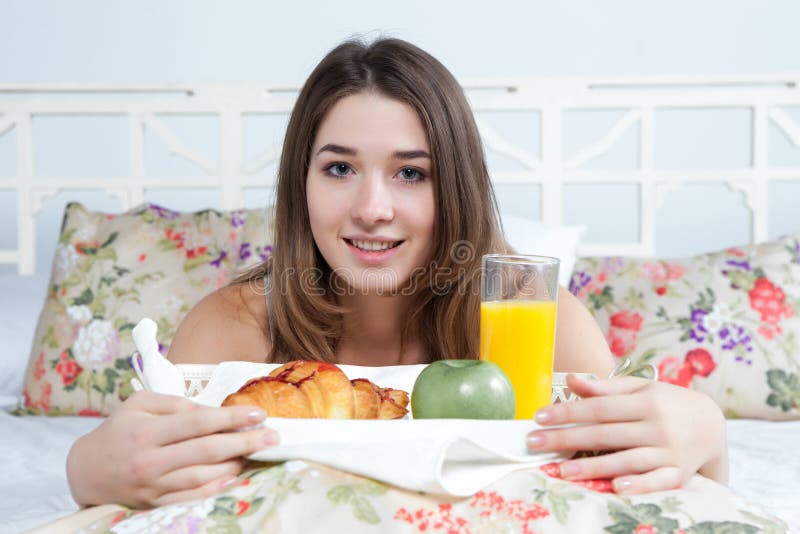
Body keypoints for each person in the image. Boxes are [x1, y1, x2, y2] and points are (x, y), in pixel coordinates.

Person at [66, 37, 727, 509]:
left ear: (456, 190)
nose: (372, 209)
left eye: (411, 173)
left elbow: (654, 497)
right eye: (339, 168)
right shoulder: (231, 332)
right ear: (301, 183)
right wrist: (86, 471)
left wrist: (709, 435)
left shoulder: (545, 327)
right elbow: (156, 499)